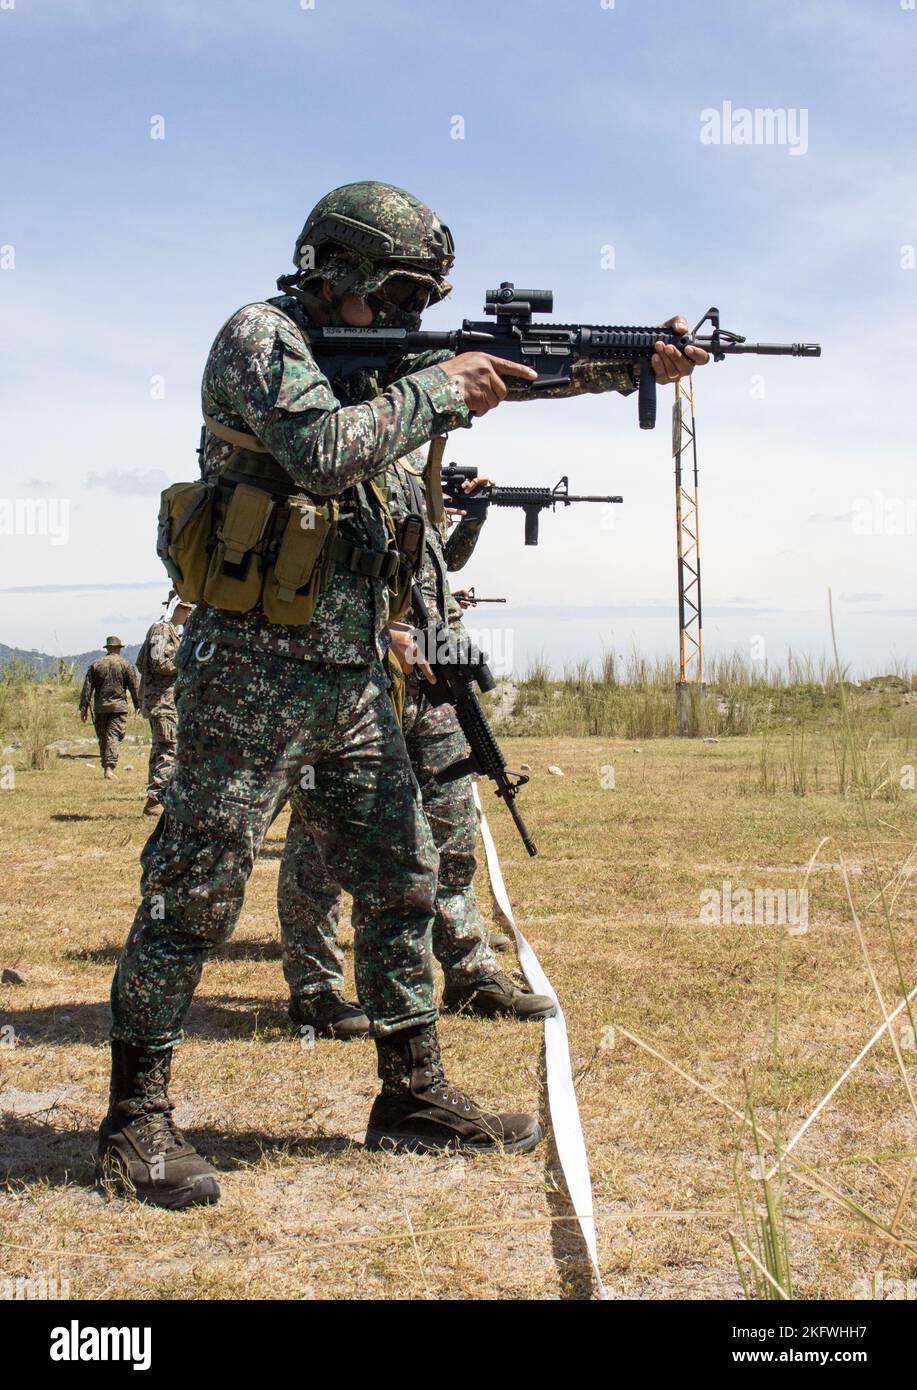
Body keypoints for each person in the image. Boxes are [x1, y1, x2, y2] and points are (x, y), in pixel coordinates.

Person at [98, 181, 706, 1209]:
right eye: (395, 291)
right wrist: (437, 389)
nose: (405, 316)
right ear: (333, 267)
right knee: (194, 888)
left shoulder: (382, 354)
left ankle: (411, 1094)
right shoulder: (261, 338)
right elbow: (318, 452)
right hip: (250, 669)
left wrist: (632, 361)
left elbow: (517, 372)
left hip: (349, 679)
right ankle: (135, 1123)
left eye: (420, 297)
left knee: (400, 875)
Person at [278, 451, 548, 1039]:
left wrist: (467, 515)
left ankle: (471, 974)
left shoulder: (414, 476)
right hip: (354, 676)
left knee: (452, 835)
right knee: (321, 841)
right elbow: (304, 570)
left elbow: (438, 568)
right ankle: (315, 990)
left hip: (435, 674)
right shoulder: (333, 452)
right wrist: (388, 632)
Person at [136, 600, 194, 816]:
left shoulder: (165, 630)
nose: (188, 615)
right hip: (163, 703)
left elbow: (141, 661)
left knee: (162, 750)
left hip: (163, 702)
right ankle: (156, 800)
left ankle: (158, 798)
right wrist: (187, 664)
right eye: (187, 610)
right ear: (178, 608)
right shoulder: (161, 630)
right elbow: (158, 662)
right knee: (168, 751)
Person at [78, 637, 141, 780]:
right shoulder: (125, 665)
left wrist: (84, 708)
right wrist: (139, 705)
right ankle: (109, 768)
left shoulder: (96, 664)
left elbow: (87, 688)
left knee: (103, 738)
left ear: (107, 648)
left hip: (100, 708)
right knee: (113, 737)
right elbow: (134, 687)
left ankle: (106, 767)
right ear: (119, 648)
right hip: (118, 708)